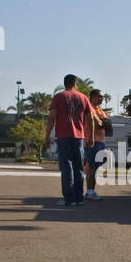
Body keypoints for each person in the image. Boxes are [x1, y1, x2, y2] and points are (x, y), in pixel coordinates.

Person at [43, 75, 94, 207]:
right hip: (79, 137)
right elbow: (91, 119)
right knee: (78, 167)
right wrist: (91, 136)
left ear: (64, 84)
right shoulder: (83, 98)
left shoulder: (59, 97)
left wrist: (47, 135)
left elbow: (52, 117)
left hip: (63, 136)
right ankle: (79, 197)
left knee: (67, 167)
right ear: (75, 84)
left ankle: (69, 198)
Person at [84, 89, 112, 199]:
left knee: (95, 168)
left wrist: (104, 123)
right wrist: (103, 122)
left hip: (100, 141)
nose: (101, 98)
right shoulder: (89, 109)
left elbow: (106, 124)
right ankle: (90, 192)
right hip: (92, 141)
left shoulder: (100, 110)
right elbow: (98, 123)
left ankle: (91, 191)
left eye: (102, 97)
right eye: (99, 96)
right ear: (92, 97)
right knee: (91, 167)